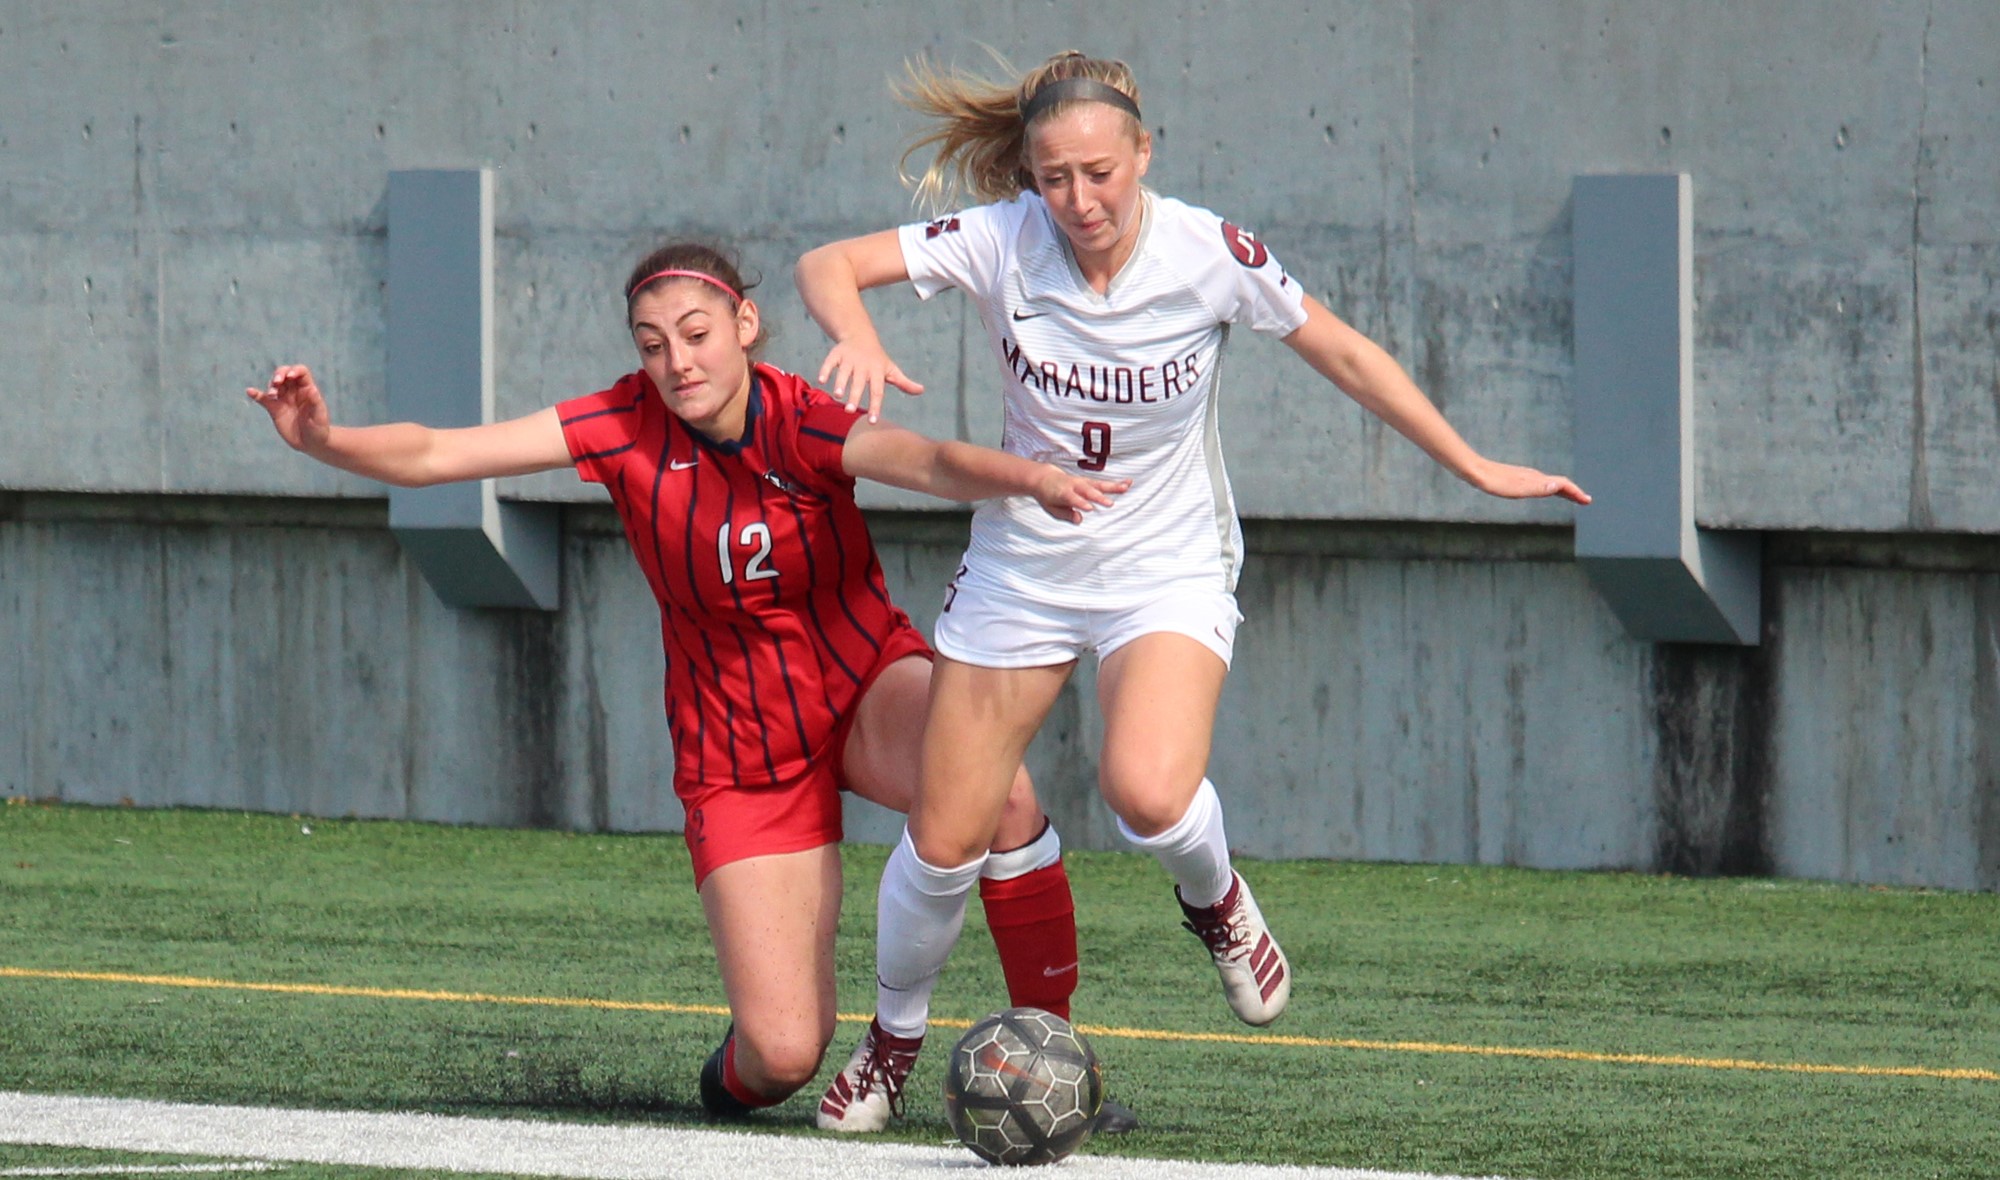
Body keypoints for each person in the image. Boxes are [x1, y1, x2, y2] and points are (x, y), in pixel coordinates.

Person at [795, 51, 1592, 1124]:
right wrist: (853, 330)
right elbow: (827, 264)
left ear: (1142, 153)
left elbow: (1348, 356)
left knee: (1148, 792)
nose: (1077, 199)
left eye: (1097, 172)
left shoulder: (1208, 252)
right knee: (945, 837)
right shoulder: (999, 238)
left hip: (1162, 564)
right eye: (1052, 176)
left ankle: (1215, 898)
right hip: (1024, 564)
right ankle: (889, 1049)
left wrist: (1473, 465)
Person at [245, 241, 1137, 1132]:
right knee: (782, 1054)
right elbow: (440, 452)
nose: (677, 362)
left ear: (744, 327)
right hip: (740, 747)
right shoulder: (622, 424)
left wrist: (1034, 480)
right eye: (651, 343)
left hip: (865, 683)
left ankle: (1055, 1065)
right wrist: (322, 439)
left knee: (1003, 795)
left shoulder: (799, 416)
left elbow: (930, 462)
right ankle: (724, 1088)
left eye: (696, 334)